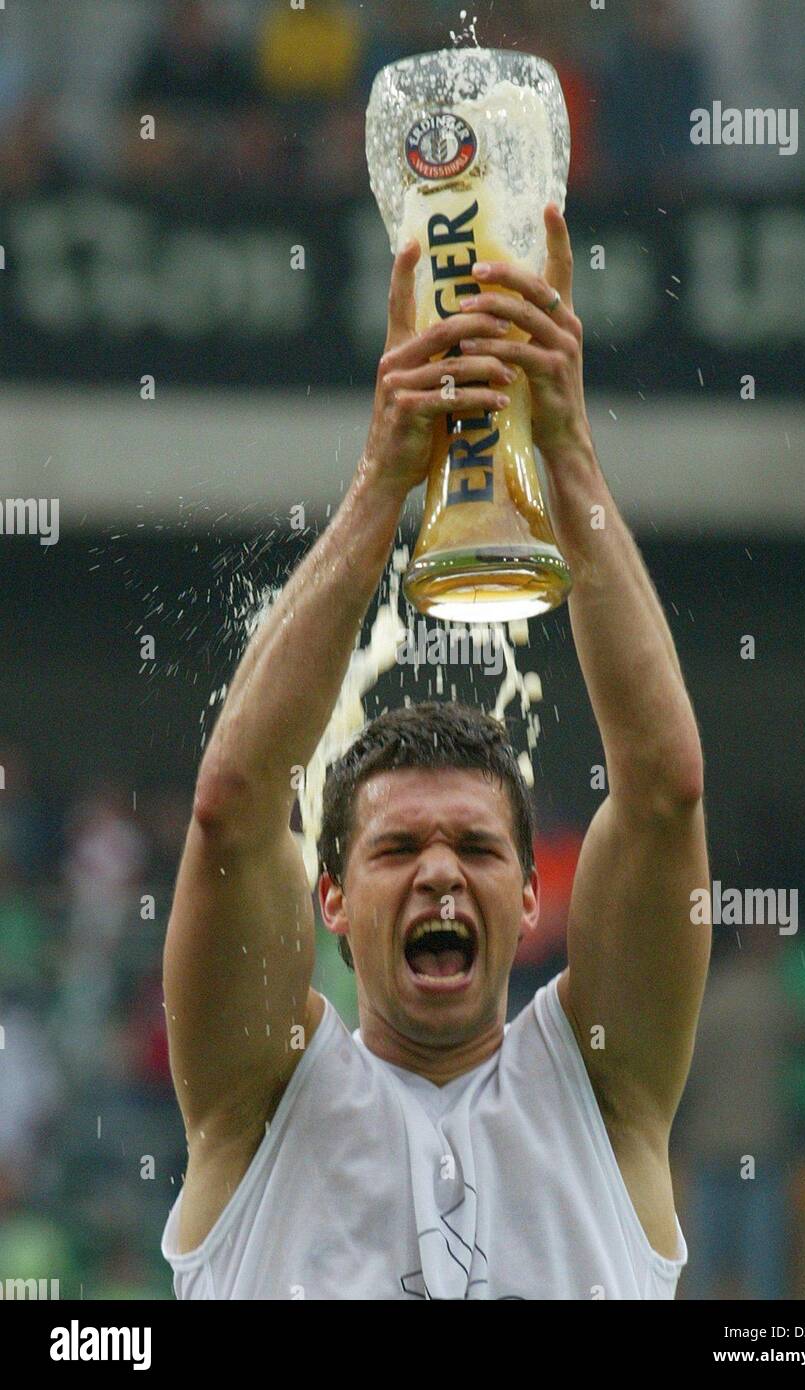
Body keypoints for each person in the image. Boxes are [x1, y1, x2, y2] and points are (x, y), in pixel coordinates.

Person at [160, 206, 710, 1299]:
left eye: (474, 845)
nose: (441, 870)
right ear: (328, 896)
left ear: (525, 896)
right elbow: (234, 802)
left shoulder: (602, 1094)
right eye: (397, 845)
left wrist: (564, 449)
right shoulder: (261, 1101)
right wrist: (380, 486)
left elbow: (662, 791)